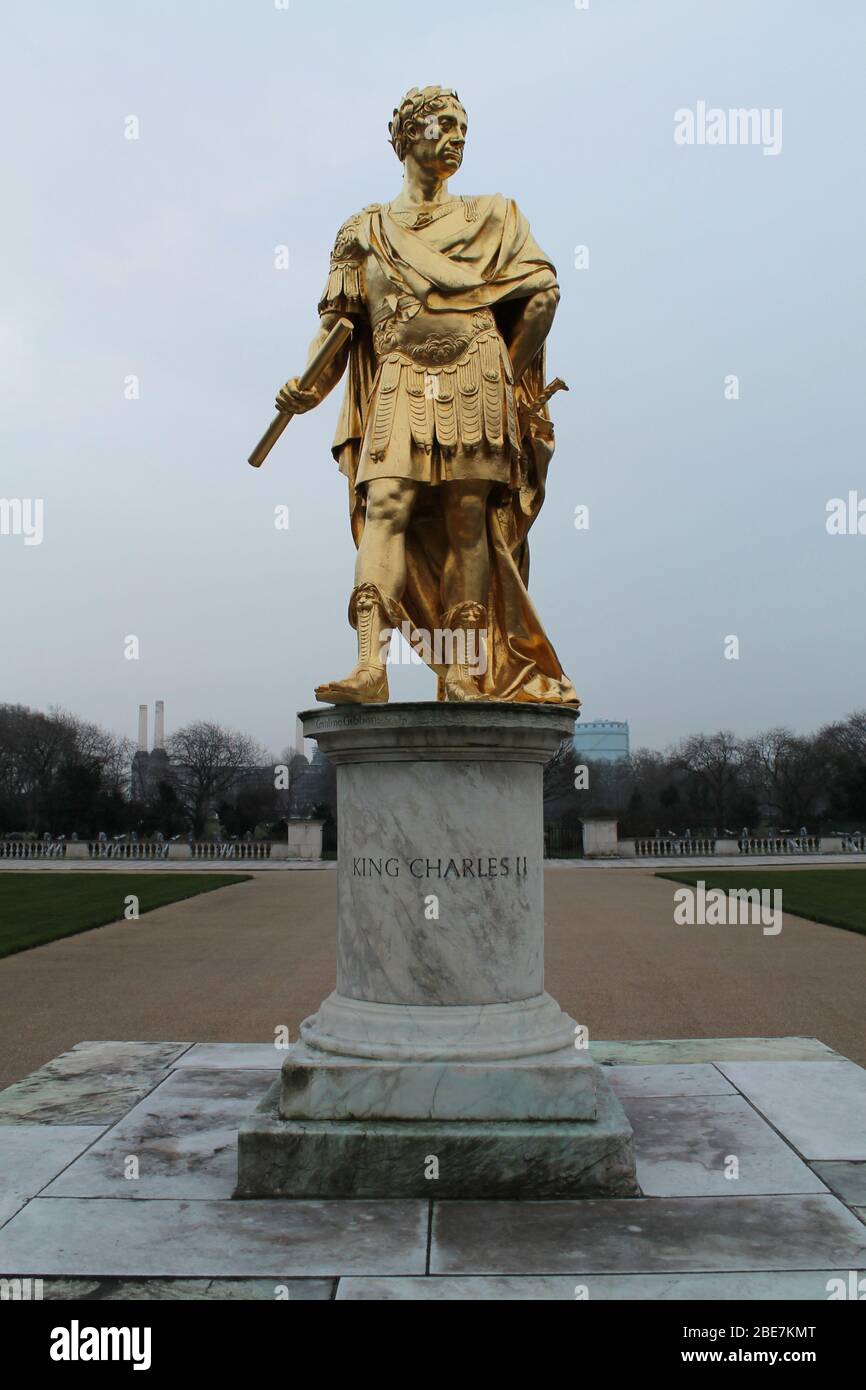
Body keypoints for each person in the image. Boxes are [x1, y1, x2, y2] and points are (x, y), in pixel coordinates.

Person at [276, 86, 578, 706]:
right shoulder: (362, 231)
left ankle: (462, 673)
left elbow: (543, 297)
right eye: (442, 122)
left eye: (462, 124)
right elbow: (339, 323)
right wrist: (305, 384)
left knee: (468, 520)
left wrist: (503, 374)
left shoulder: (496, 215)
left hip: (476, 377)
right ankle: (369, 667)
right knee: (385, 507)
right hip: (398, 377)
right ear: (406, 136)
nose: (456, 134)